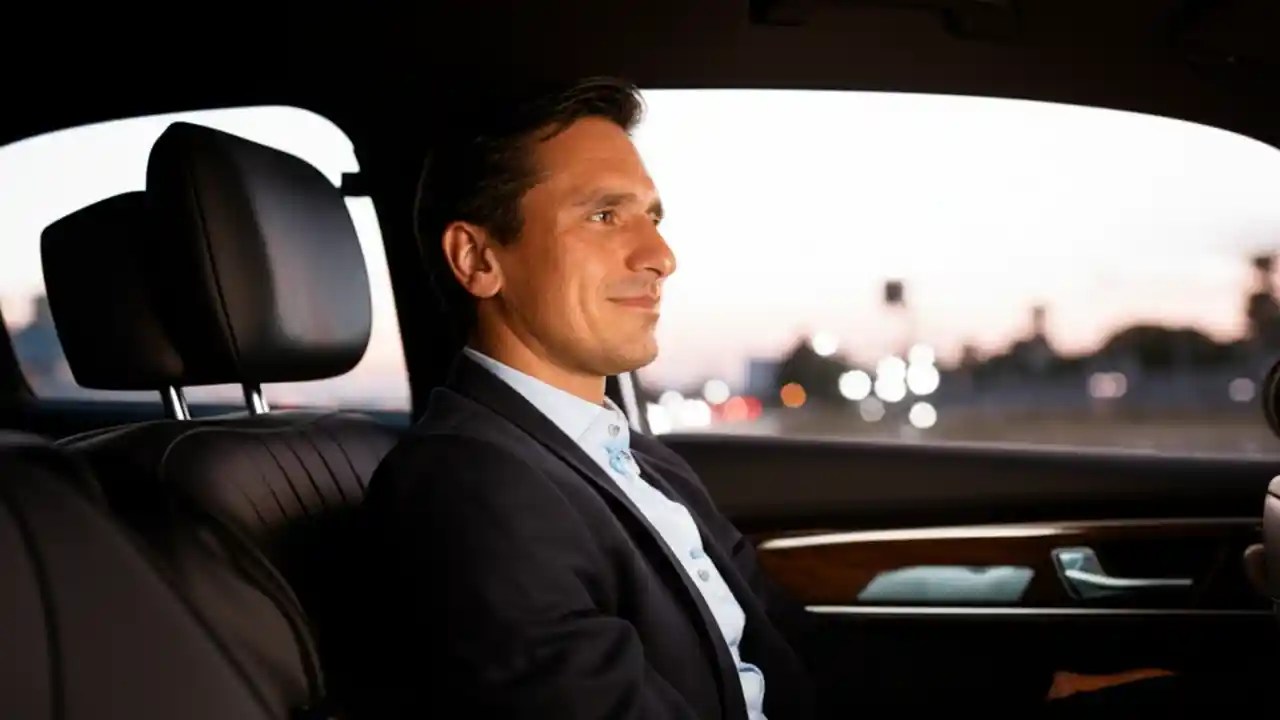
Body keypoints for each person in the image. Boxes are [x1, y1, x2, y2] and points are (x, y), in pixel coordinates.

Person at [360, 77, 1183, 719]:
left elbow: (797, 650)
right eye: (605, 216)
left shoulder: (632, 461)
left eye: (652, 216)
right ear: (479, 260)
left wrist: (1040, 690)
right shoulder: (471, 486)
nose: (660, 255)